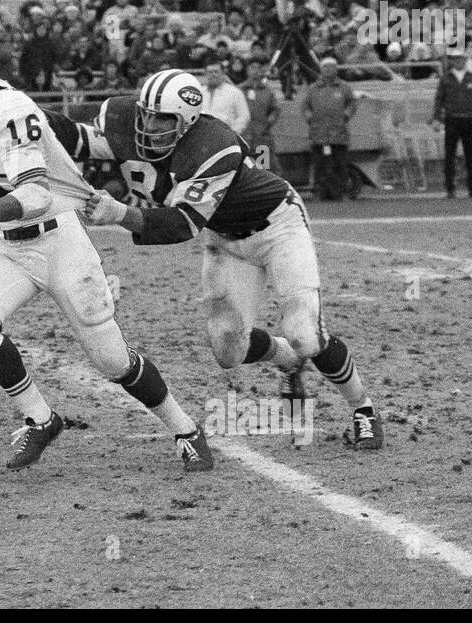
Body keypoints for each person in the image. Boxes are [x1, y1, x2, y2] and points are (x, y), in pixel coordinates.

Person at [0, 22, 212, 472]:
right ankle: (40, 418)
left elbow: (36, 196)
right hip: (4, 244)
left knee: (112, 361)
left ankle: (185, 428)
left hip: (57, 239)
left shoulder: (8, 110)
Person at [66, 70, 383, 450]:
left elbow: (184, 224)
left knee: (306, 333)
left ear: (186, 122)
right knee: (228, 351)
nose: (149, 124)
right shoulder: (129, 123)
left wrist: (118, 214)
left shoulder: (214, 144)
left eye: (162, 118)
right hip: (226, 238)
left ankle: (363, 408)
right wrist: (22, 117)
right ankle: (287, 358)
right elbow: (73, 138)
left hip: (277, 226)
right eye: (146, 113)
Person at [432, 51, 472, 198]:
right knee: (449, 155)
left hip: (469, 120)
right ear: (452, 61)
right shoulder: (445, 79)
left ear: (464, 60)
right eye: (454, 59)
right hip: (451, 119)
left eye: (460, 59)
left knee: (470, 155)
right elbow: (439, 99)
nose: (457, 61)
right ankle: (450, 189)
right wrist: (436, 118)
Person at [302, 57, 356, 200]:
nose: (329, 69)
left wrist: (346, 114)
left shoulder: (344, 87)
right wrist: (309, 116)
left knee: (340, 165)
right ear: (321, 69)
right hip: (318, 134)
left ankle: (342, 193)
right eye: (326, 67)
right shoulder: (313, 88)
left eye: (332, 67)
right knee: (319, 165)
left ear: (336, 69)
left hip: (338, 134)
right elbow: (305, 106)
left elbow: (352, 103)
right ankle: (319, 192)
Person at [241, 59, 280, 171]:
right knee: (245, 170)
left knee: (263, 169)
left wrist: (268, 122)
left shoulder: (268, 91)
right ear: (247, 70)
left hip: (262, 137)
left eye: (258, 68)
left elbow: (275, 109)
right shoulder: (239, 90)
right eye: (252, 67)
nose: (256, 71)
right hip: (243, 138)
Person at [199, 59, 250, 134]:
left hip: (225, 137)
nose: (213, 75)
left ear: (223, 73)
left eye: (216, 72)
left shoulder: (235, 92)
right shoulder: (200, 92)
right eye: (209, 72)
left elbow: (244, 116)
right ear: (205, 74)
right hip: (202, 135)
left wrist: (233, 133)